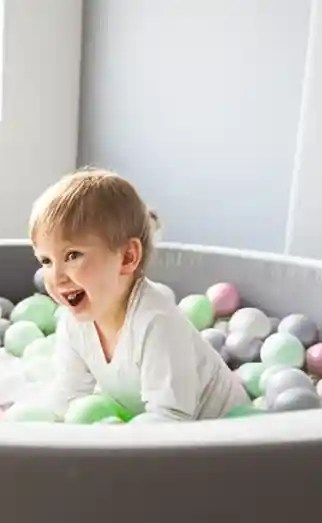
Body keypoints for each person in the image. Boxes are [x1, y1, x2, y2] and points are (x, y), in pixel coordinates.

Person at [30, 168, 248, 421]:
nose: (57, 277)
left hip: (225, 435)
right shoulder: (74, 322)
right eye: (46, 261)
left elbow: (171, 420)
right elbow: (67, 395)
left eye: (72, 256)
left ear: (128, 257)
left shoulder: (157, 323)